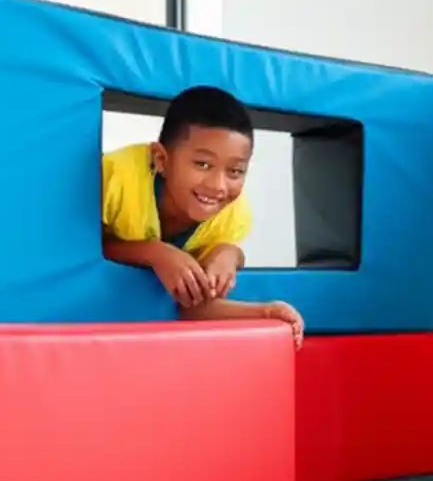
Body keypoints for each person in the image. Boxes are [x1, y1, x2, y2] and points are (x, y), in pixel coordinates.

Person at [101, 85, 303, 345]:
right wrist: (154, 253)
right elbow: (75, 252)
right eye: (203, 164)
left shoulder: (231, 214)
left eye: (235, 171)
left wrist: (265, 309)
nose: (218, 186)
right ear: (161, 159)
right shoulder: (114, 179)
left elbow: (190, 306)